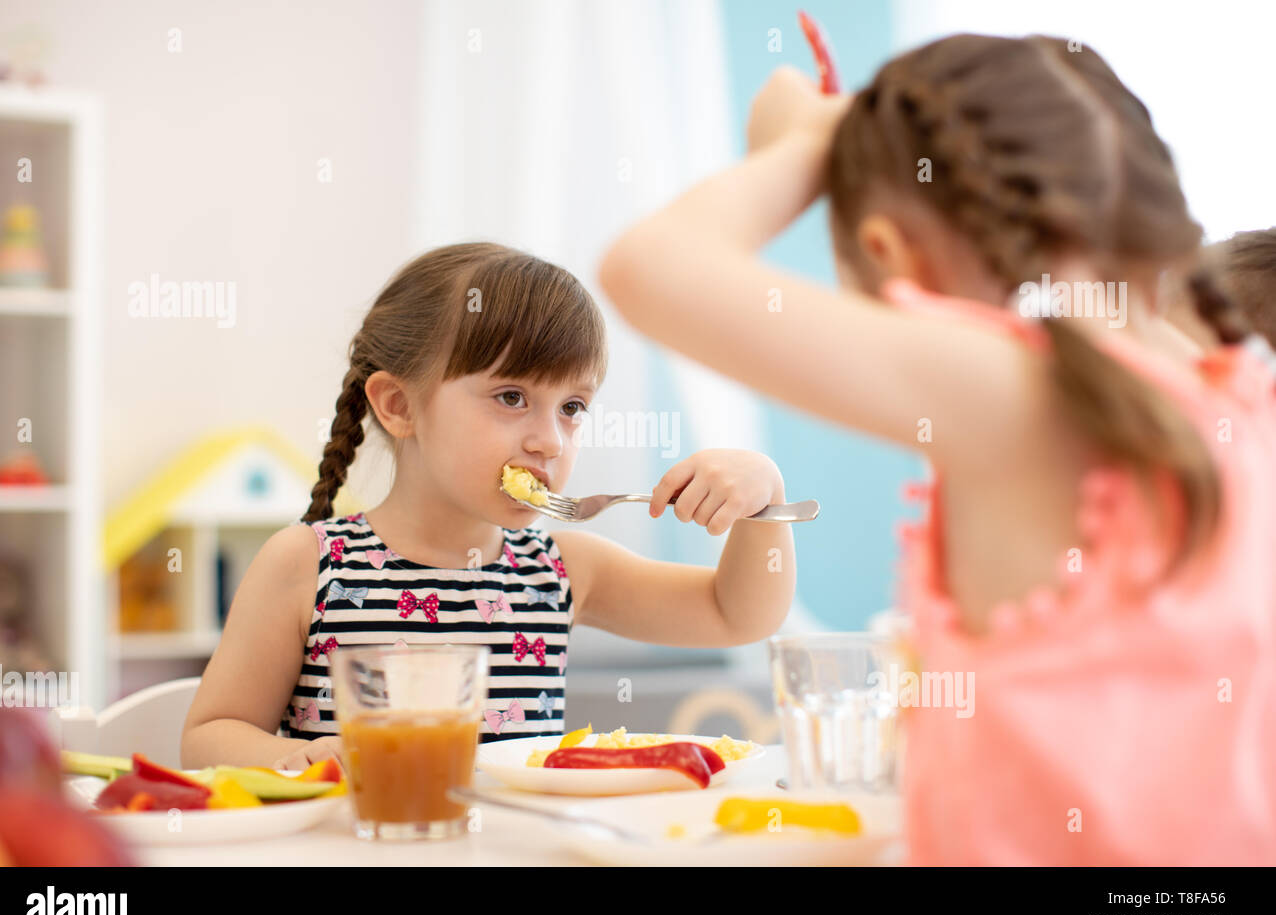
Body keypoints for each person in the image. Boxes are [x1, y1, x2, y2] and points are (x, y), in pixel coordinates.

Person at [597, 35, 1276, 864]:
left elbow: (647, 268)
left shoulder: (1021, 391)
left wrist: (805, 147)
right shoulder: (1239, 395)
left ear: (887, 253)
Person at [181, 242, 796, 772]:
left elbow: (734, 614)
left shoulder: (561, 569)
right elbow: (210, 735)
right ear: (398, 406)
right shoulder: (308, 565)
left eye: (572, 408)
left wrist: (764, 497)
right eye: (510, 397)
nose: (549, 440)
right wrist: (294, 759)